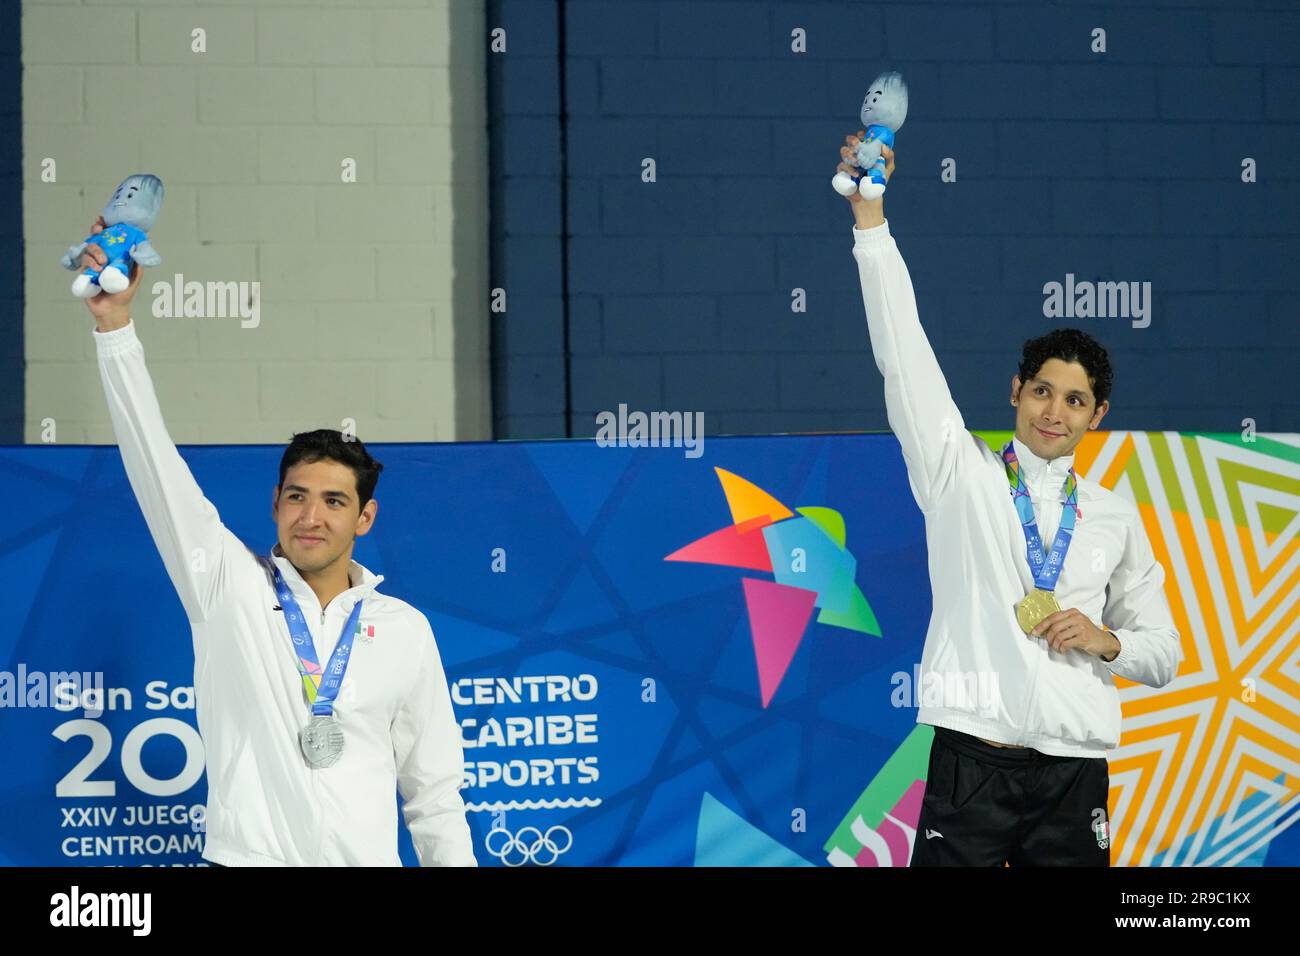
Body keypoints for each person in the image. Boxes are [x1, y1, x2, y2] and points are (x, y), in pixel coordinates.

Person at [78, 217, 476, 866]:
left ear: (365, 518)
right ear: (275, 504)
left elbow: (434, 795)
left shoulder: (403, 629)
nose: (311, 516)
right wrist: (115, 328)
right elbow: (153, 462)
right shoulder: (226, 587)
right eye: (297, 496)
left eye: (334, 501)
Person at [841, 137, 1183, 866]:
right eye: (1041, 392)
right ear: (1015, 393)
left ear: (1099, 417)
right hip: (972, 763)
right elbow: (902, 352)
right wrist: (870, 216)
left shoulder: (1114, 516)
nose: (1054, 412)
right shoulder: (958, 475)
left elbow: (1163, 655)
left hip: (1073, 771)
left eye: (1075, 400)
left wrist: (1105, 639)